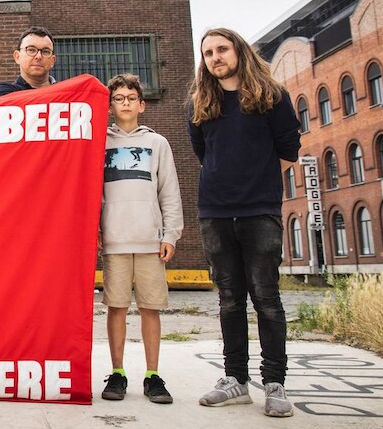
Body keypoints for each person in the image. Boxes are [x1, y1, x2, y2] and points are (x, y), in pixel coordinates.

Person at [187, 27, 300, 418]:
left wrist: (256, 183)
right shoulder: (200, 101)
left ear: (239, 52)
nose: (215, 57)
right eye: (208, 53)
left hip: (260, 211)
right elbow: (203, 152)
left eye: (222, 49)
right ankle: (235, 380)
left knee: (266, 299)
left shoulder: (272, 96)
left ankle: (274, 383)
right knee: (230, 299)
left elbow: (289, 151)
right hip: (215, 212)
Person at [98, 73, 183, 405]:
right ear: (110, 105)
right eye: (118, 98)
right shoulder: (100, 143)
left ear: (142, 104)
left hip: (150, 240)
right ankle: (117, 372)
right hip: (115, 241)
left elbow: (170, 192)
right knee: (116, 307)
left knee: (151, 308)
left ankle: (152, 375)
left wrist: (171, 235)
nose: (125, 103)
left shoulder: (157, 143)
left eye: (131, 98)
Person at [0, 26, 57, 97]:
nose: (39, 56)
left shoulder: (67, 93)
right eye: (31, 50)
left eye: (45, 52)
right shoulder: (4, 92)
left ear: (53, 61)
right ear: (17, 57)